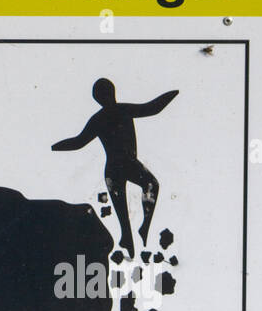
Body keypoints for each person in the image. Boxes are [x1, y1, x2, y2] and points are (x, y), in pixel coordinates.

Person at [52, 78, 179, 255]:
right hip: (124, 165)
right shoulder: (120, 111)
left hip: (114, 169)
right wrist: (54, 146)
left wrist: (55, 146)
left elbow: (78, 142)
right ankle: (135, 234)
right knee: (148, 188)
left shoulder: (101, 117)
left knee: (139, 197)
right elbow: (152, 108)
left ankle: (138, 231)